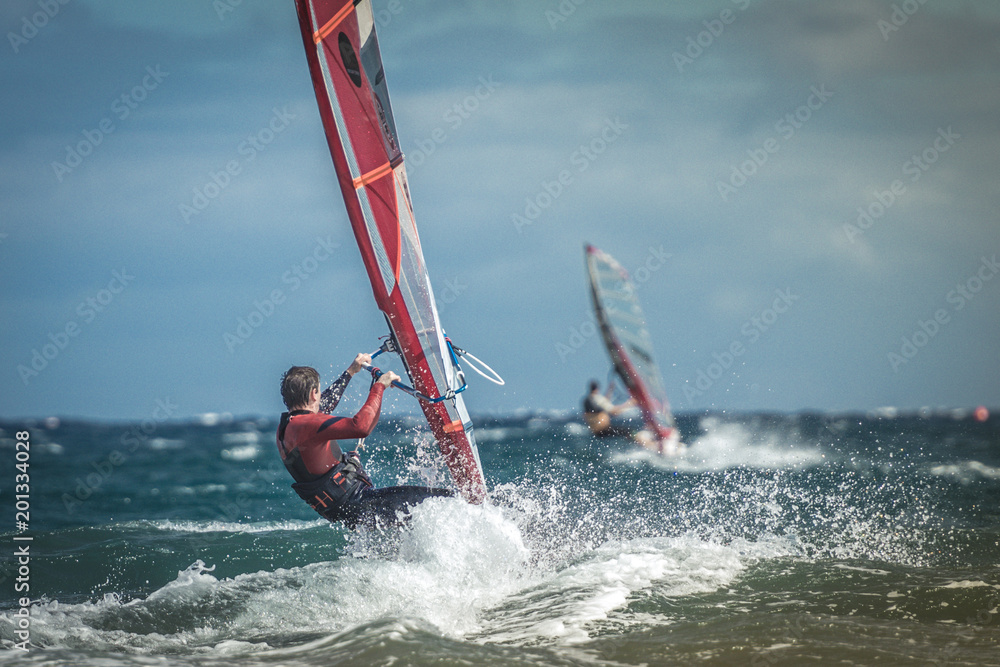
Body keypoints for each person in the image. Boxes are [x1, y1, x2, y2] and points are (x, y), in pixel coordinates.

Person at [276, 353, 453, 529]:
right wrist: (379, 386)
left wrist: (351, 372)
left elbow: (324, 406)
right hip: (361, 503)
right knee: (443, 501)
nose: (322, 396)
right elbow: (360, 427)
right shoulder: (308, 425)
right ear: (315, 393)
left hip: (348, 512)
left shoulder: (288, 427)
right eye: (319, 392)